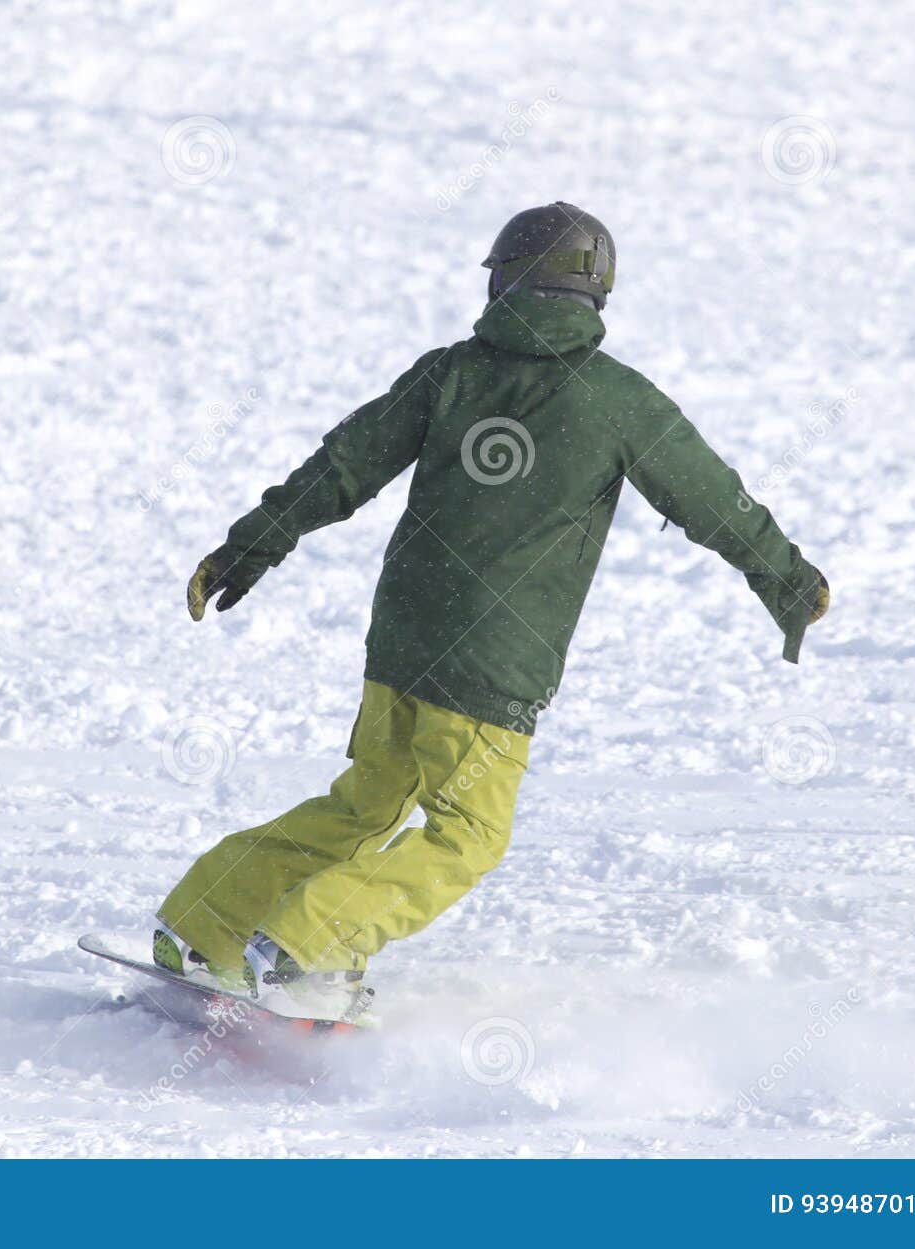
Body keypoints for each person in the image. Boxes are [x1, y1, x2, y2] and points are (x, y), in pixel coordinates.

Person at [154, 202, 829, 1020]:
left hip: (402, 642)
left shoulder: (450, 372)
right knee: (467, 834)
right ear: (598, 294)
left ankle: (203, 922)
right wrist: (789, 581)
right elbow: (715, 502)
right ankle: (307, 948)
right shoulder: (620, 401)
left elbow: (343, 465)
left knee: (367, 803)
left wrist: (247, 546)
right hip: (492, 667)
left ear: (504, 281)